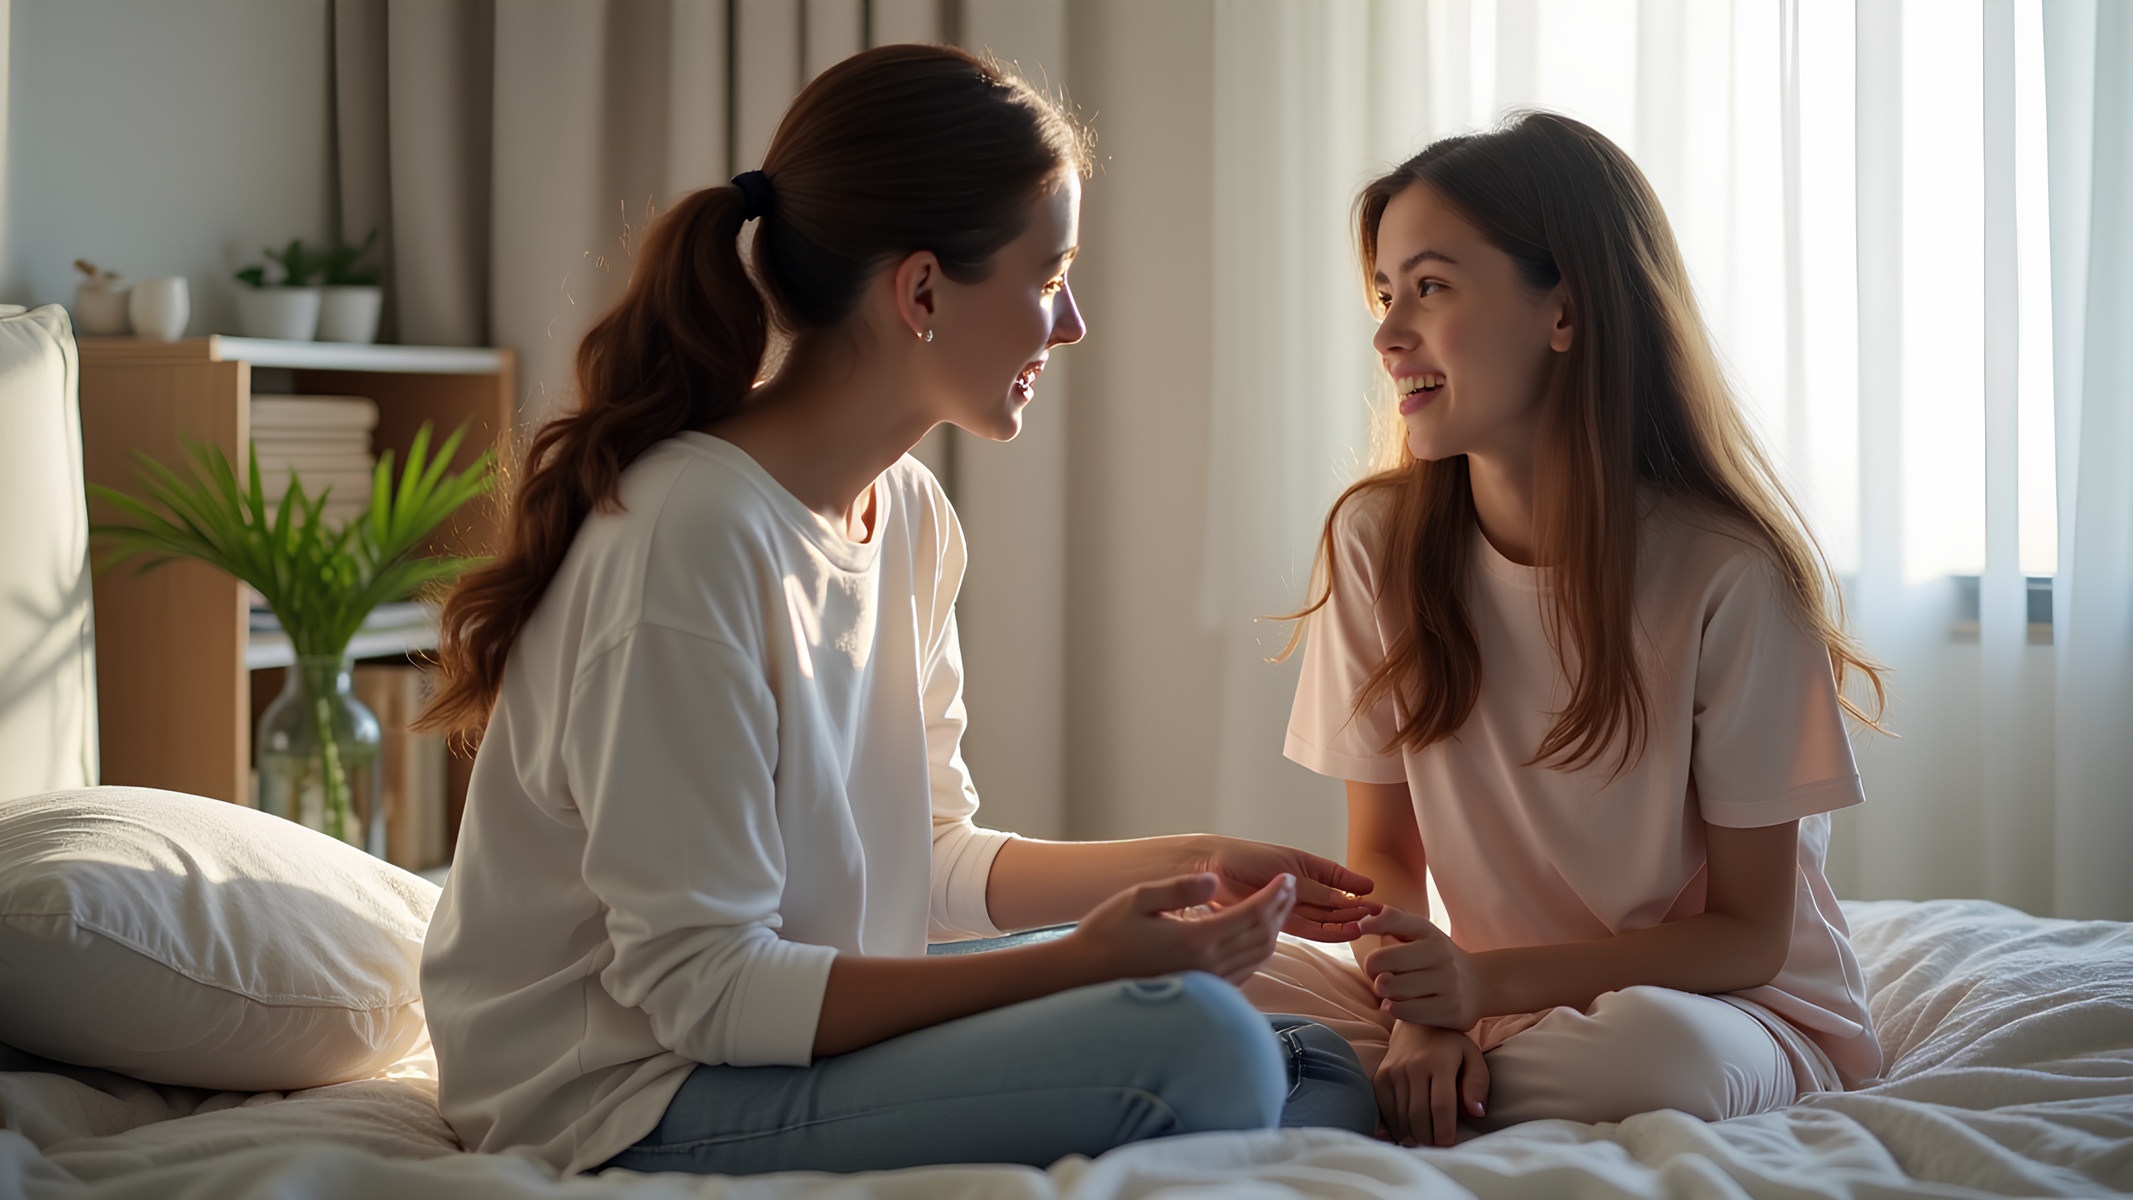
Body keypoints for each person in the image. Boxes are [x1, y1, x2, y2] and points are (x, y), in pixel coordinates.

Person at [413, 45, 1382, 1179]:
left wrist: (1196, 861)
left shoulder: (908, 513)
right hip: (627, 1089)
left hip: (779, 1033)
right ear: (921, 290)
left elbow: (928, 858)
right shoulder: (693, 535)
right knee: (1203, 1044)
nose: (1070, 324)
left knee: (1317, 1051)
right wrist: (1078, 967)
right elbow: (703, 989)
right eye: (1048, 273)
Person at [1246, 110, 1889, 1149]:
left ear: (1565, 312)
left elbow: (1746, 938)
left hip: (1725, 1012)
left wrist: (1473, 991)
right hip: (1485, 995)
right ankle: (1381, 1077)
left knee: (1653, 1059)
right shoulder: (1380, 541)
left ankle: (1343, 1088)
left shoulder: (1729, 576)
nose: (1388, 334)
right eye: (1384, 293)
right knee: (1192, 972)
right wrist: (1422, 1010)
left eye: (1432, 287)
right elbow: (1381, 854)